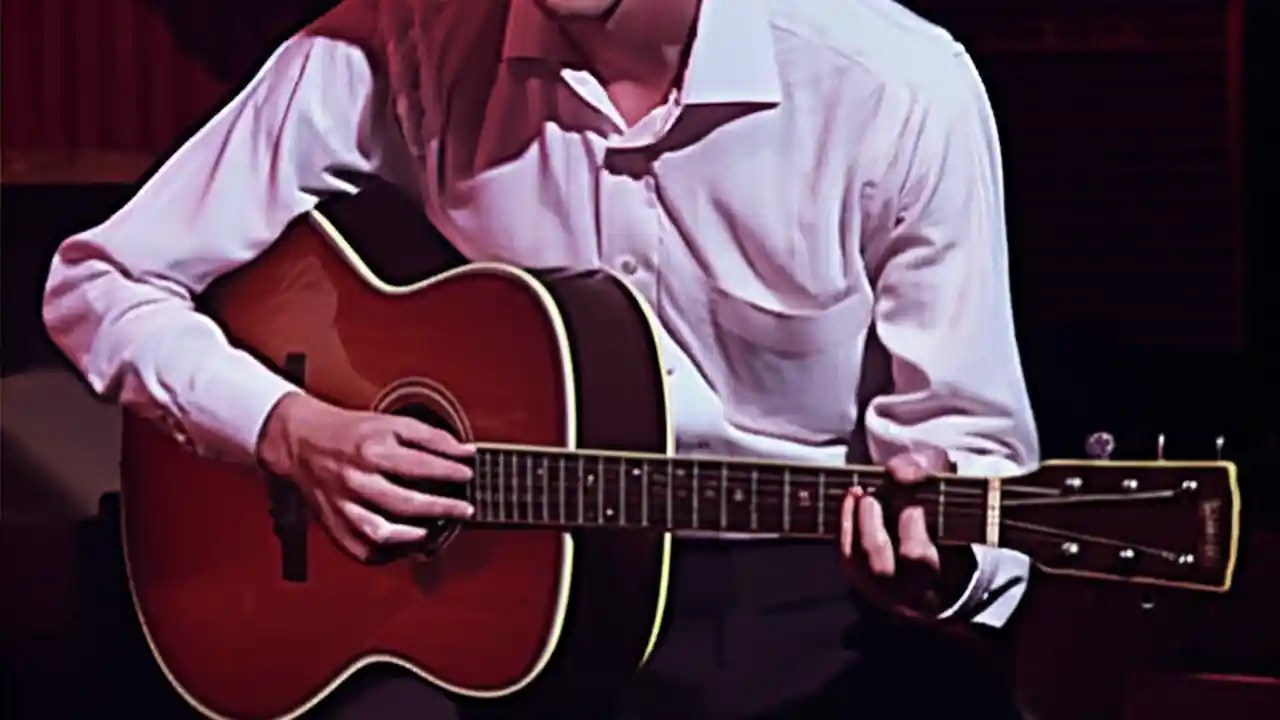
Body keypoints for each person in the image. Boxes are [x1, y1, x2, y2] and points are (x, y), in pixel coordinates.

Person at [42, 0, 1040, 717]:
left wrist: (941, 562)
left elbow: (969, 456)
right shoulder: (406, 40)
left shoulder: (894, 89)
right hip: (490, 585)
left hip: (792, 595)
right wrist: (288, 429)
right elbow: (100, 284)